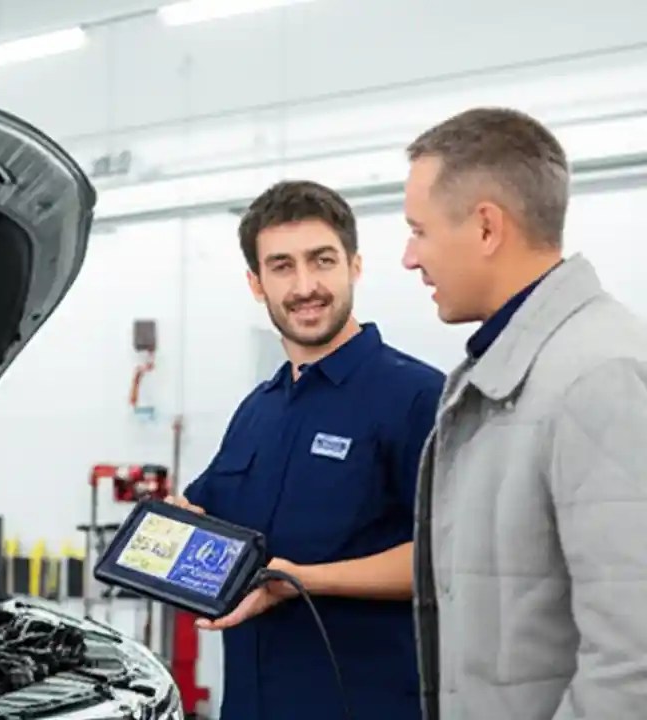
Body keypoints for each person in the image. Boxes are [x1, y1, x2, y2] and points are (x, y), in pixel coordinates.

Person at [402, 107, 647, 720]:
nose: (409, 257)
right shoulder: (511, 375)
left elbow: (633, 661)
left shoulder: (598, 378)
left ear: (486, 228)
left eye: (420, 230)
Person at [167, 180, 445, 719]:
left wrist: (299, 581)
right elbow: (212, 517)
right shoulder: (257, 409)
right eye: (282, 266)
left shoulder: (417, 397)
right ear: (256, 283)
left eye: (322, 260)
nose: (305, 286)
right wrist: (177, 525)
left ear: (354, 266)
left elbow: (448, 560)